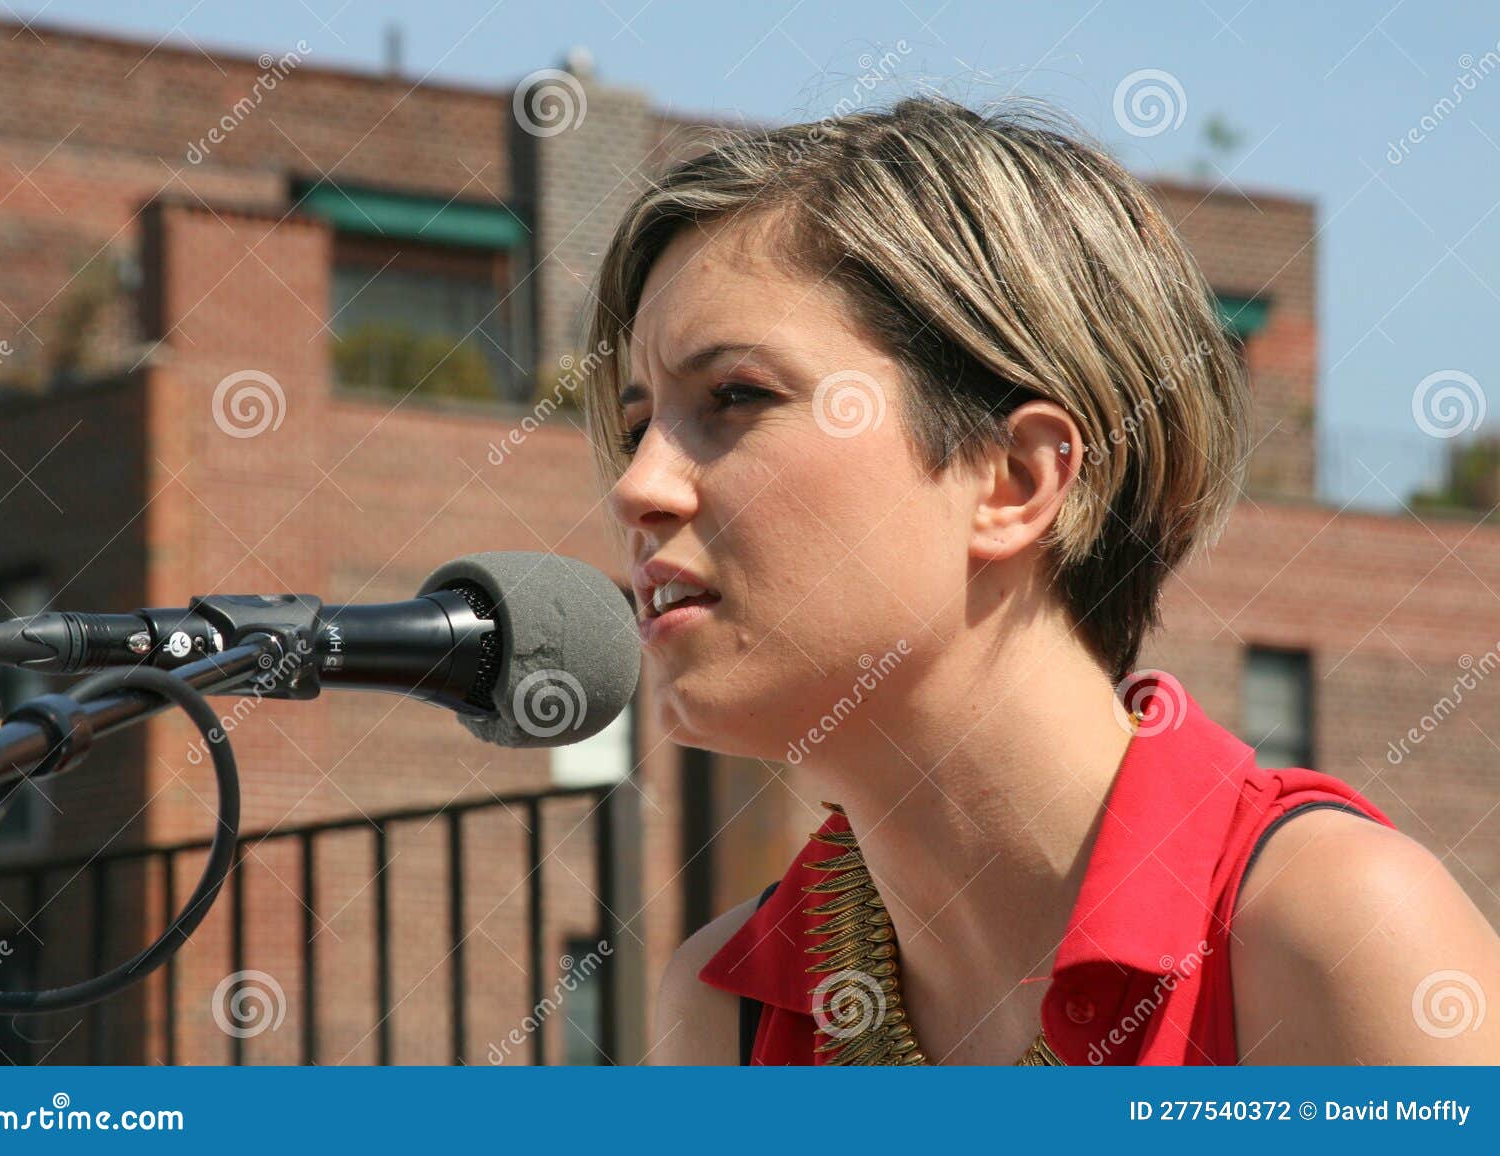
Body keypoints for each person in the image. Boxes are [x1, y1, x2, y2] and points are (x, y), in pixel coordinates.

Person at [580, 94, 1500, 1065]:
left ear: (1014, 479)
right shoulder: (728, 1008)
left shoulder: (1336, 940)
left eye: (735, 397)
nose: (637, 485)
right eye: (638, 424)